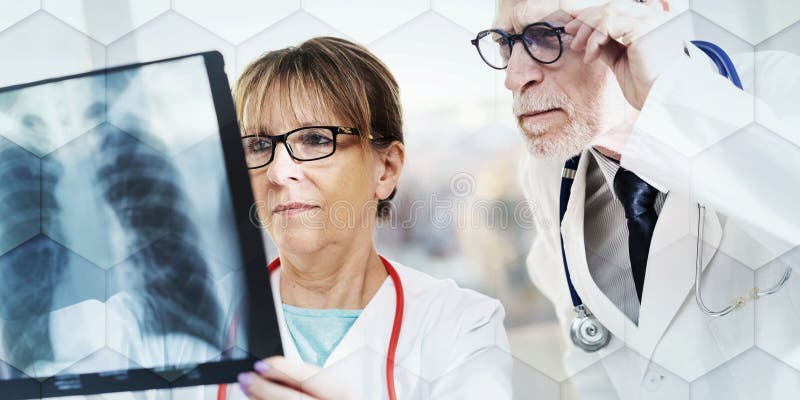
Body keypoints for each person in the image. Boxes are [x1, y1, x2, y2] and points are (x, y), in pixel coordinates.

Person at [473, 0, 800, 398]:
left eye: (546, 37)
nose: (513, 77)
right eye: (505, 44)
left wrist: (671, 92)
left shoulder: (781, 95)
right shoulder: (548, 173)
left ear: (649, 17)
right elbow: (593, 361)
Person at [228, 37, 512, 399]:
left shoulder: (460, 324)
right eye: (258, 145)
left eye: (315, 139)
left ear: (386, 168)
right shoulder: (183, 331)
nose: (279, 172)